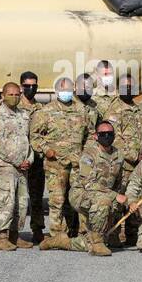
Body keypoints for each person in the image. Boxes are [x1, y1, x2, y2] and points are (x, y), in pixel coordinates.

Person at [30, 77, 89, 248]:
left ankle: (78, 232)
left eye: (69, 89)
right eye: (63, 90)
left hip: (77, 164)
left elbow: (90, 134)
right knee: (57, 200)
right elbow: (35, 136)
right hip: (55, 164)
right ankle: (56, 234)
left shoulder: (81, 110)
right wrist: (45, 149)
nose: (66, 92)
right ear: (56, 92)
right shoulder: (45, 111)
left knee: (77, 199)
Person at [58, 121, 126, 256]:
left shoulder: (118, 154)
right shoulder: (89, 154)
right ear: (95, 136)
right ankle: (97, 244)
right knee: (104, 201)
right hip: (81, 193)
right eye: (103, 134)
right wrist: (113, 196)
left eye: (110, 134)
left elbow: (119, 182)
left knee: (112, 202)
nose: (107, 136)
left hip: (103, 194)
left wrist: (122, 199)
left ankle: (62, 242)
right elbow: (87, 183)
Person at [96, 72, 142, 245]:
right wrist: (133, 156)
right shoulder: (113, 110)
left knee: (135, 197)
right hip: (121, 163)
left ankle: (132, 234)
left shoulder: (139, 109)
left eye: (131, 86)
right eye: (125, 86)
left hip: (138, 164)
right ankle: (115, 234)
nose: (128, 89)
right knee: (119, 199)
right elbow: (113, 138)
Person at [0, 82, 34, 251]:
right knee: (6, 201)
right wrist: (16, 161)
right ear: (2, 95)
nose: (14, 98)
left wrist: (30, 158)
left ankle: (15, 235)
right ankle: (2, 237)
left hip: (22, 167)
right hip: (6, 166)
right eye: (11, 94)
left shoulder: (23, 115)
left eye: (17, 94)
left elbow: (27, 140)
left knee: (21, 203)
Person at [17, 71, 46, 244]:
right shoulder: (14, 106)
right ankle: (16, 232)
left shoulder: (41, 109)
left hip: (36, 159)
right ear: (21, 86)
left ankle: (38, 229)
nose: (31, 89)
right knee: (18, 198)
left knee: (36, 197)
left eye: (34, 86)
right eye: (27, 86)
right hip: (18, 159)